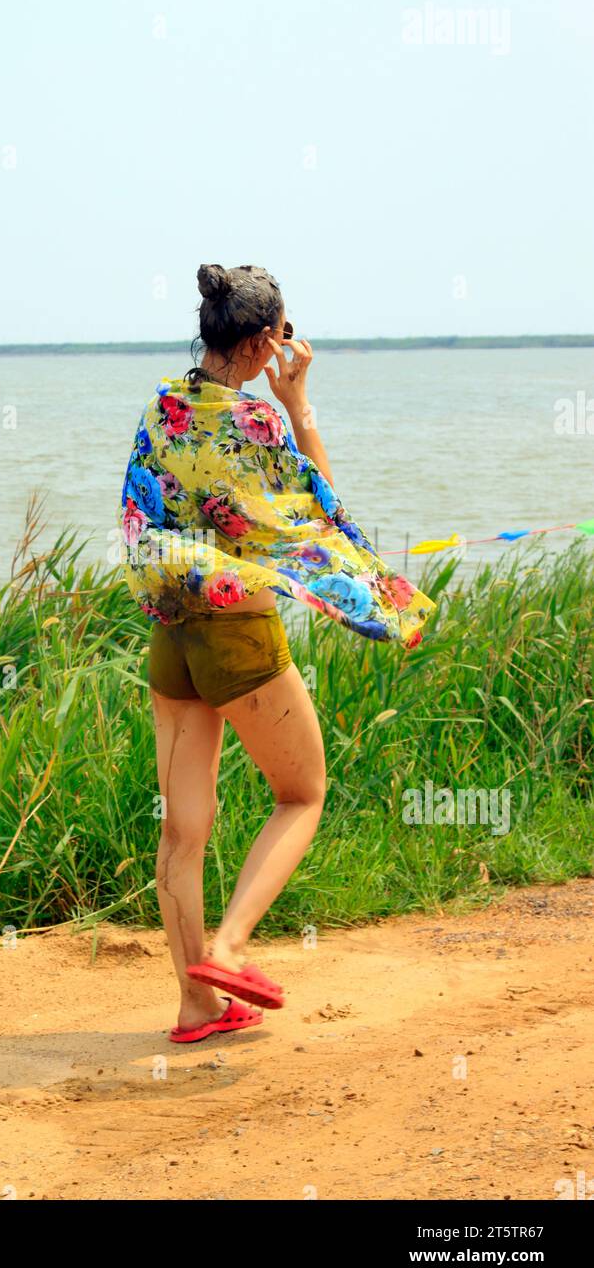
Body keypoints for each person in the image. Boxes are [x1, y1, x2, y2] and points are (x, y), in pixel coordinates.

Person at [119, 264, 435, 1043]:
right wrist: (297, 407)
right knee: (304, 793)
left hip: (172, 638)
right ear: (265, 342)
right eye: (280, 338)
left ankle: (196, 1008)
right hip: (238, 638)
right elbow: (325, 524)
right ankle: (227, 950)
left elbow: (144, 513)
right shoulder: (257, 425)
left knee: (182, 831)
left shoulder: (161, 409)